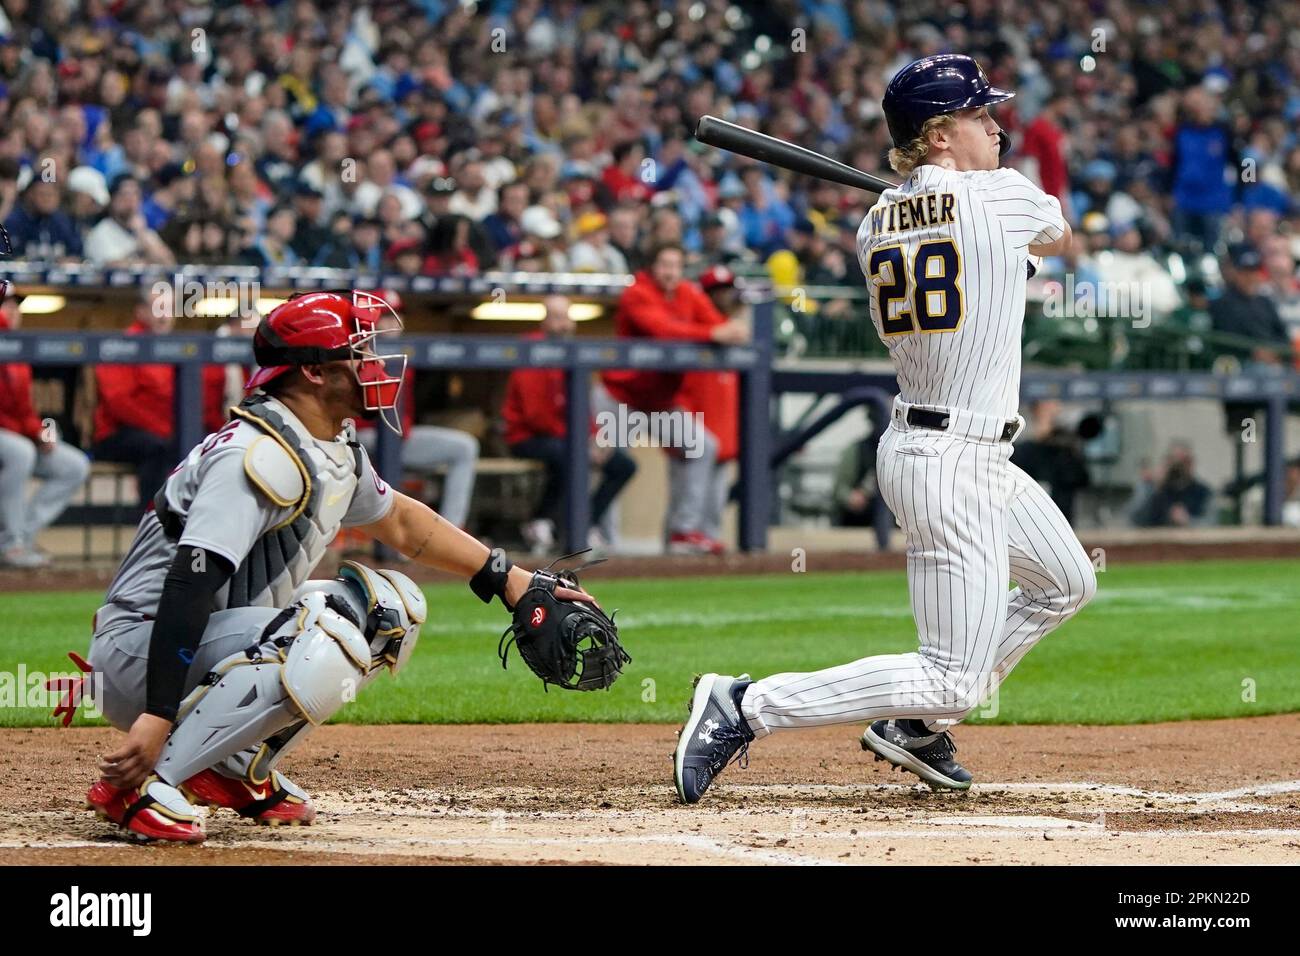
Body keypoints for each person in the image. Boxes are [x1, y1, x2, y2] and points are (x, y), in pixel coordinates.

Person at [674, 55, 1096, 803]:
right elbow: (1059, 234)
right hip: (949, 459)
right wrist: (963, 207)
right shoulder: (1001, 196)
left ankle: (914, 729)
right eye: (976, 115)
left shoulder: (875, 224)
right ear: (938, 135)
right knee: (951, 674)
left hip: (954, 448)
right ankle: (744, 704)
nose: (995, 126)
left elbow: (984, 277)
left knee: (1066, 582)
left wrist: (928, 203)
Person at [74, 289, 602, 843]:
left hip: (201, 643)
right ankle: (147, 781)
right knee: (321, 631)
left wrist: (510, 580)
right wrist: (156, 718)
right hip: (140, 651)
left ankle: (229, 766)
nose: (374, 364)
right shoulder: (257, 456)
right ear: (314, 374)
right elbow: (187, 588)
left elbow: (400, 522)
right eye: (358, 352)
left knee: (390, 609)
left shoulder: (324, 441)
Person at [601, 242, 749, 555]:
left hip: (660, 403)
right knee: (607, 464)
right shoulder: (636, 292)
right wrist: (710, 334)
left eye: (675, 265)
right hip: (620, 398)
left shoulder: (687, 293)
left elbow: (721, 325)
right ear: (652, 267)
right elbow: (662, 330)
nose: (670, 272)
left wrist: (725, 329)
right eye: (664, 264)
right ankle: (598, 538)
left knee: (702, 447)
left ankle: (683, 532)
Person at [504, 295, 636, 553]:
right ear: (544, 322)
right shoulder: (532, 349)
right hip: (526, 437)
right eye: (556, 318)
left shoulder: (573, 351)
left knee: (623, 465)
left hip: (566, 437)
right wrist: (581, 442)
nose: (563, 325)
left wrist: (595, 438)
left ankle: (588, 522)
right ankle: (539, 520)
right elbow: (536, 416)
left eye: (566, 317)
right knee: (567, 455)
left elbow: (582, 407)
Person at [0, 295, 90, 567]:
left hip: (15, 433)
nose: (14, 311)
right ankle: (9, 543)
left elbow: (24, 408)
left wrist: (39, 431)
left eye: (16, 305)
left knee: (74, 465)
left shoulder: (18, 349)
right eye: (7, 305)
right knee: (22, 452)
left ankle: (22, 537)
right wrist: (32, 433)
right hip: (10, 436)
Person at [91, 288, 182, 512]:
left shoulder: (175, 348)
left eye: (169, 309)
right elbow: (118, 403)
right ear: (141, 312)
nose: (164, 315)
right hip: (115, 435)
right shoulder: (124, 344)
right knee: (158, 448)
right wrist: (164, 429)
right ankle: (151, 524)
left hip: (163, 433)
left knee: (203, 443)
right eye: (157, 308)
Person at [1128, 442, 1213, 527]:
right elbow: (1133, 521)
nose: (1180, 468)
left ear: (1192, 463)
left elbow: (1212, 525)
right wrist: (1150, 485)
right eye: (1175, 461)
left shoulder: (1203, 492)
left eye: (1185, 461)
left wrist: (1188, 521)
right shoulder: (1155, 490)